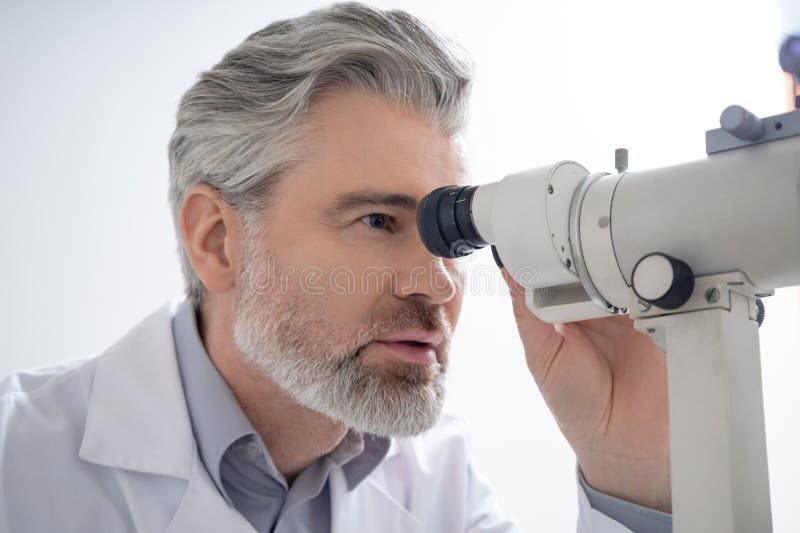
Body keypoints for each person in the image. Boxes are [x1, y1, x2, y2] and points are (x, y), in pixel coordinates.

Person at [0, 3, 672, 532]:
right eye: (378, 221)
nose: (437, 283)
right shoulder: (18, 461)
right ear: (216, 240)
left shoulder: (437, 483)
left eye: (451, 236)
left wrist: (627, 472)